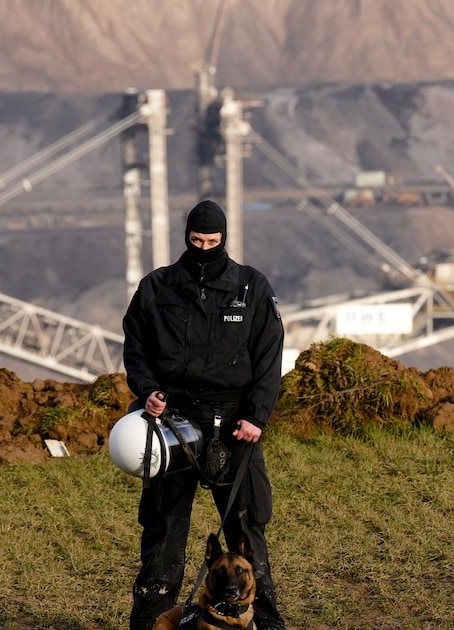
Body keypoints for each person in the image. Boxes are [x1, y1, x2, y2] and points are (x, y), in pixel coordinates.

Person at [122, 199, 287, 630]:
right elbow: (136, 349)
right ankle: (151, 624)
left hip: (235, 425)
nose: (204, 249)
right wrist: (149, 392)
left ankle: (265, 625)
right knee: (163, 530)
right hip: (174, 423)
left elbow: (269, 357)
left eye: (213, 242)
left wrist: (256, 416)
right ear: (186, 237)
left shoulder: (251, 288)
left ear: (224, 238)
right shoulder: (156, 287)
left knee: (247, 532)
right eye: (197, 241)